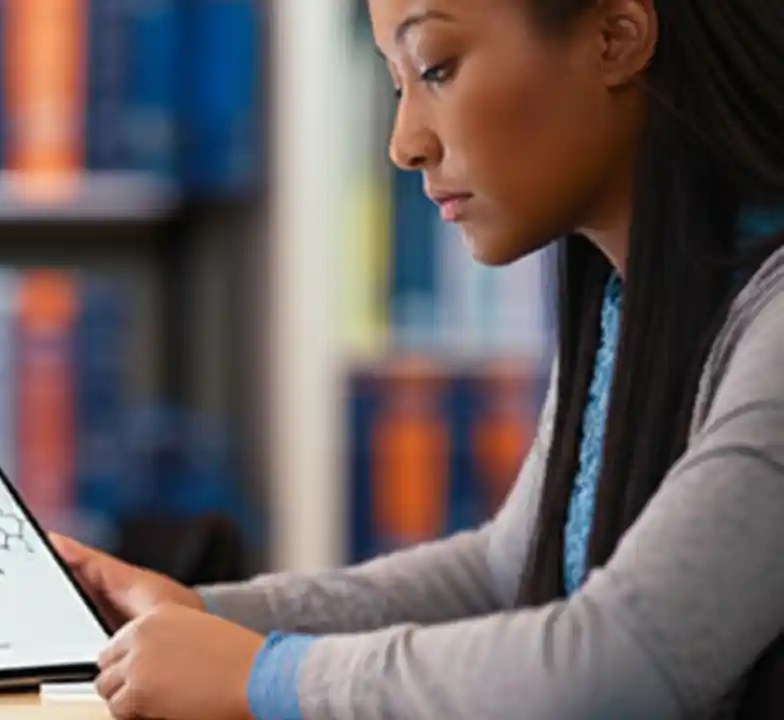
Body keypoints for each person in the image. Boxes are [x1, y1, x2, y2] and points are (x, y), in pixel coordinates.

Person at [49, 0, 784, 717]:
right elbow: (499, 575)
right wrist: (202, 616)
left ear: (616, 38)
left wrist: (267, 677)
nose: (404, 143)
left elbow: (621, 664)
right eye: (397, 83)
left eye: (436, 68)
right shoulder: (632, 302)